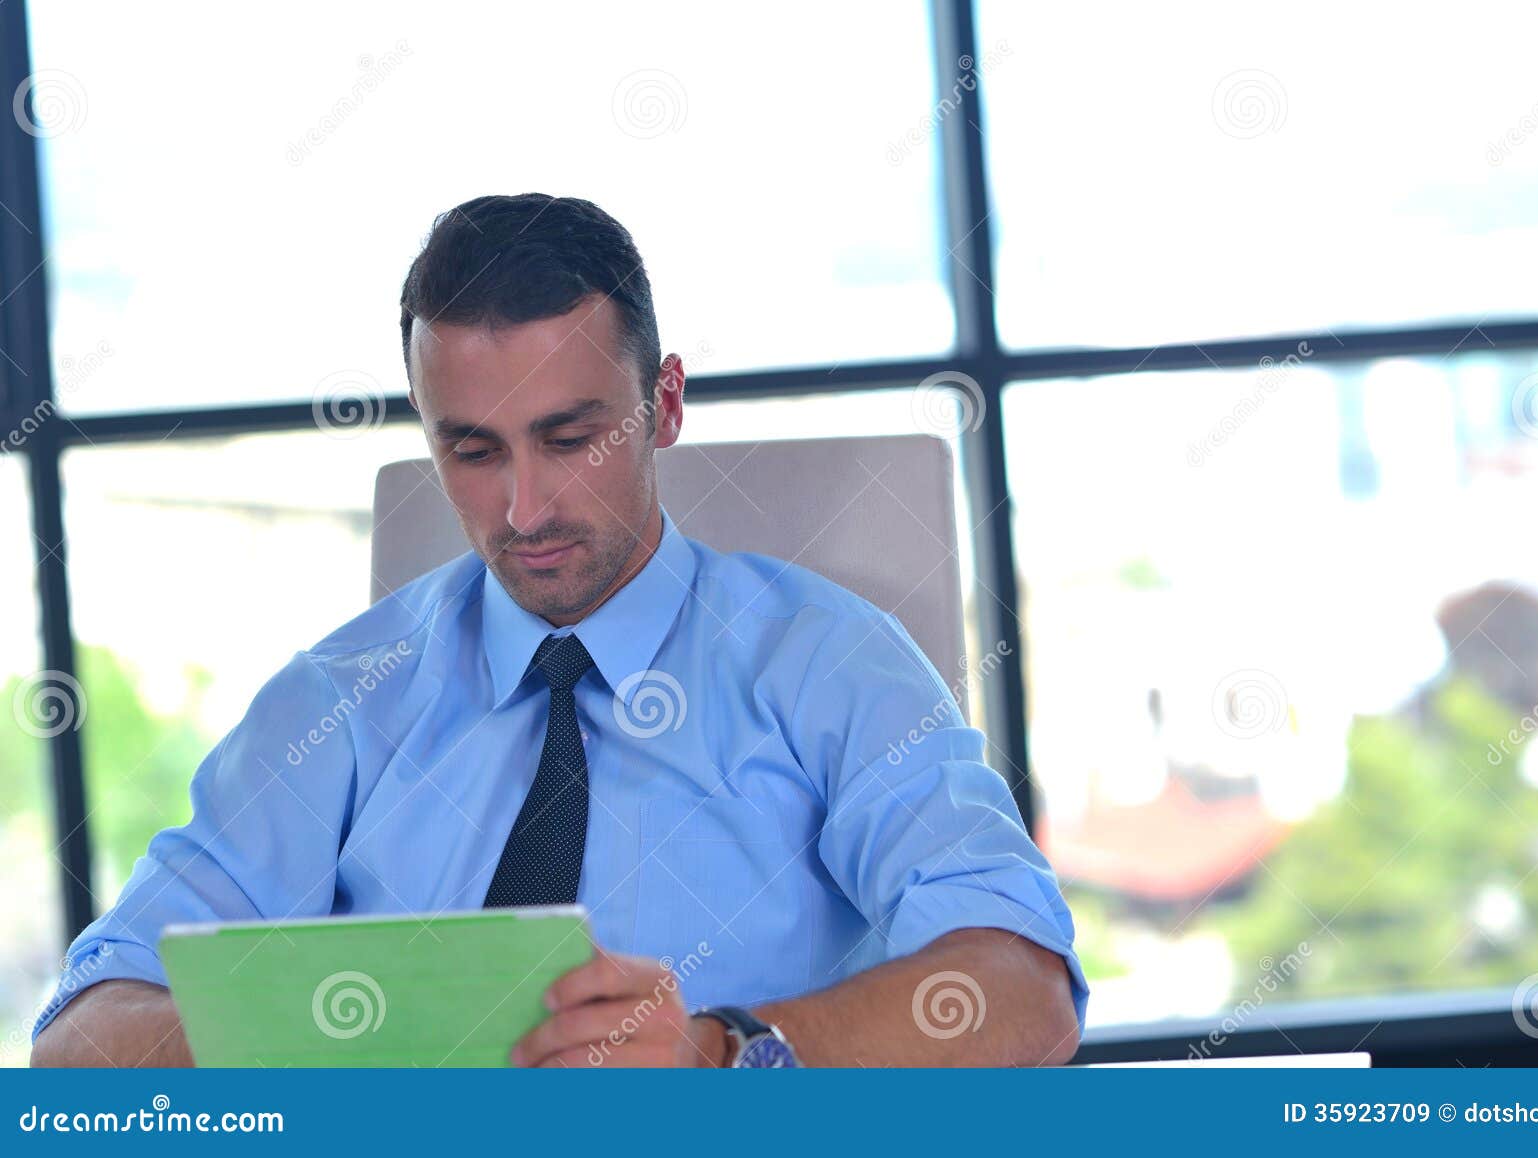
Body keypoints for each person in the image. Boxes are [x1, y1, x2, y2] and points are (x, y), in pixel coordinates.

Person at [31, 193, 1088, 1067]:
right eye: (475, 453)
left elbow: (1019, 988)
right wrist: (324, 1050)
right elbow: (82, 1040)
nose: (524, 510)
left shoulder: (827, 667)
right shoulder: (338, 703)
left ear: (663, 405)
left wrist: (723, 1057)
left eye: (569, 438)